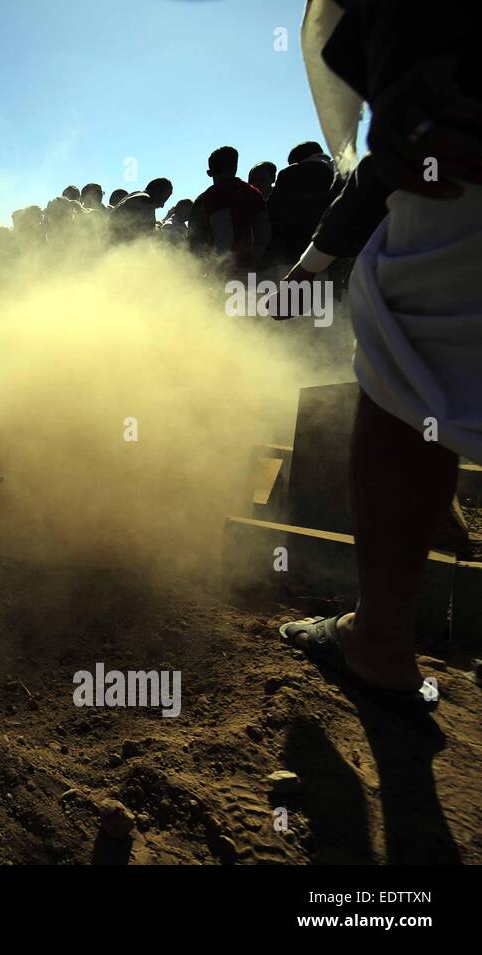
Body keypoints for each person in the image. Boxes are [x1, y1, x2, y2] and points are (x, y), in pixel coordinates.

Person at [280, 0, 482, 720]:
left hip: (458, 144)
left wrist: (307, 270)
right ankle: (441, 511)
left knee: (407, 362)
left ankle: (380, 641)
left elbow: (378, 173)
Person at [188, 146, 271, 277]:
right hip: (250, 271)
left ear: (210, 172)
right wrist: (254, 260)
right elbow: (264, 232)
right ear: (235, 167)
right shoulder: (253, 194)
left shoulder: (204, 200)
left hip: (216, 275)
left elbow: (195, 242)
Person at [267, 141, 338, 268]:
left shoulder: (290, 174)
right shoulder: (340, 173)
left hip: (294, 253)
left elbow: (272, 211)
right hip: (331, 253)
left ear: (297, 160)